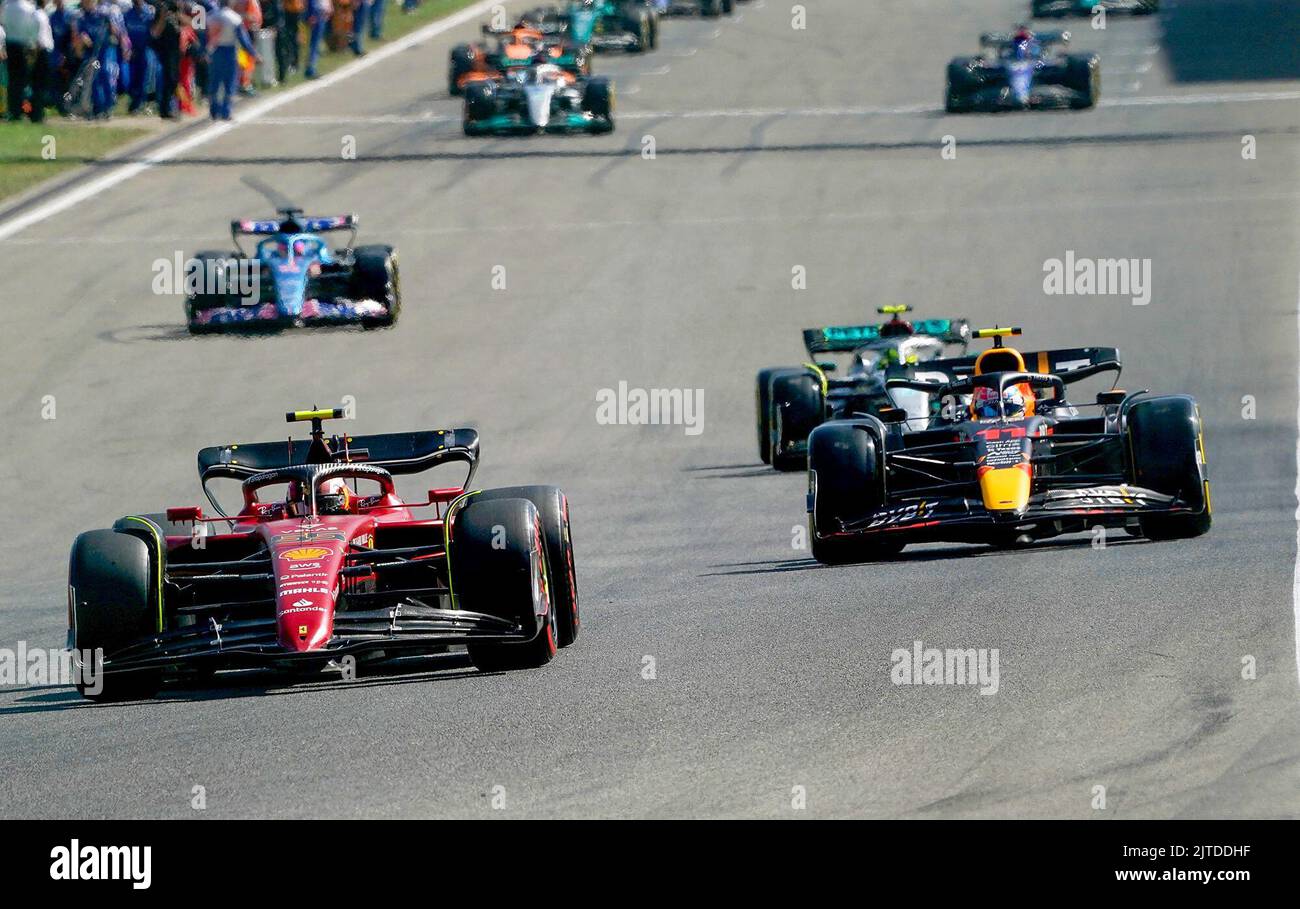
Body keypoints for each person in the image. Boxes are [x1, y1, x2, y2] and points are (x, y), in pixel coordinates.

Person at [72, 0, 130, 117]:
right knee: (93, 79)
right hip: (91, 51)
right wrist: (82, 38)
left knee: (105, 74)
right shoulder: (81, 17)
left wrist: (111, 26)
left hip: (104, 50)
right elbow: (78, 35)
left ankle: (108, 106)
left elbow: (117, 32)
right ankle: (97, 108)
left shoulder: (104, 14)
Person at [205, 0, 253, 118]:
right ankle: (226, 111)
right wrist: (253, 53)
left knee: (214, 81)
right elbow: (243, 39)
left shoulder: (211, 16)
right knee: (230, 82)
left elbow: (204, 36)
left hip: (214, 51)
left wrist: (204, 51)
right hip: (229, 50)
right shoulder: (234, 18)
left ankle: (214, 110)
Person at [3, 0, 43, 120]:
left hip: (10, 44)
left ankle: (13, 110)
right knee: (23, 80)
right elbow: (33, 27)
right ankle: (24, 109)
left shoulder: (6, 6)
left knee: (12, 80)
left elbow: (3, 23)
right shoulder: (28, 8)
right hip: (23, 45)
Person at [121, 0, 153, 111]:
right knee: (129, 78)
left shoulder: (149, 13)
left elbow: (153, 32)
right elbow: (124, 33)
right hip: (132, 51)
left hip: (146, 50)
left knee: (143, 77)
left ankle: (139, 103)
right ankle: (134, 100)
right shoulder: (127, 14)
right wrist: (127, 48)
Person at [302, 0, 325, 78]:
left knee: (314, 45)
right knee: (313, 45)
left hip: (316, 14)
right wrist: (312, 15)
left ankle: (311, 69)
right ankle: (310, 70)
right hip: (314, 16)